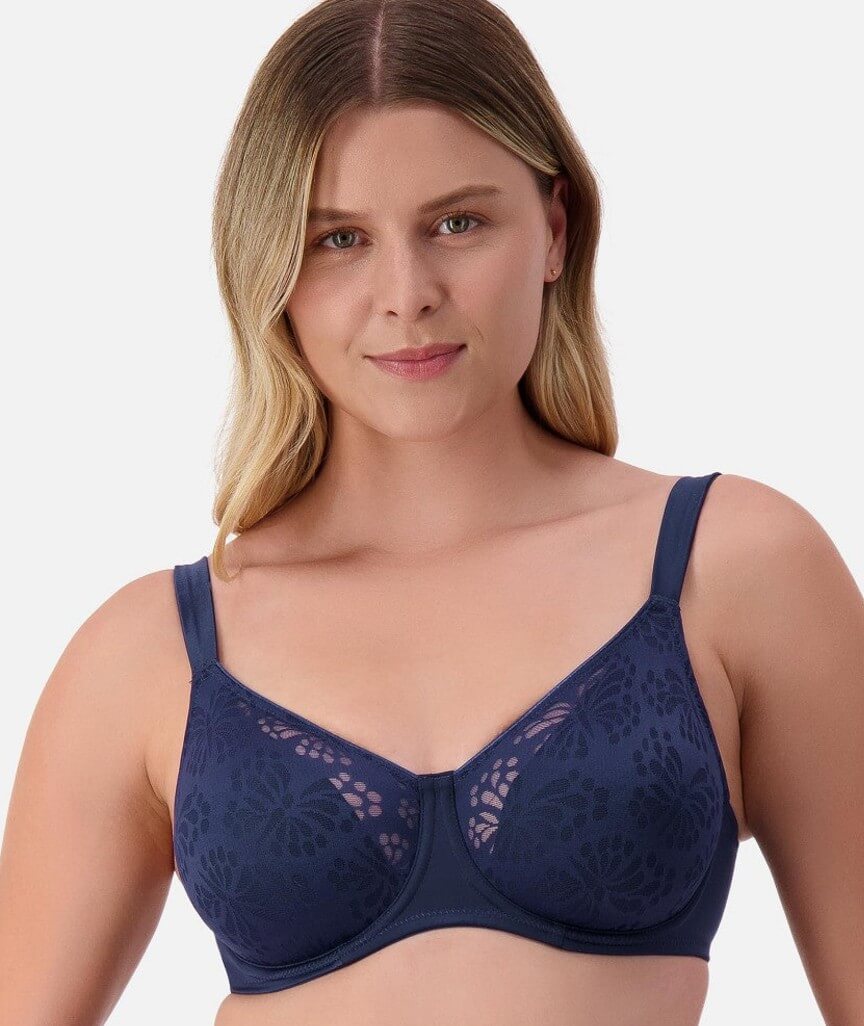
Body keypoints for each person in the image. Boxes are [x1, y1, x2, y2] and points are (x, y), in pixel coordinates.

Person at [1, 0, 862, 1023]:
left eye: (458, 223)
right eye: (338, 240)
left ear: (554, 230)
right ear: (268, 267)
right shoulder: (151, 653)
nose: (406, 293)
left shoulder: (736, 569)